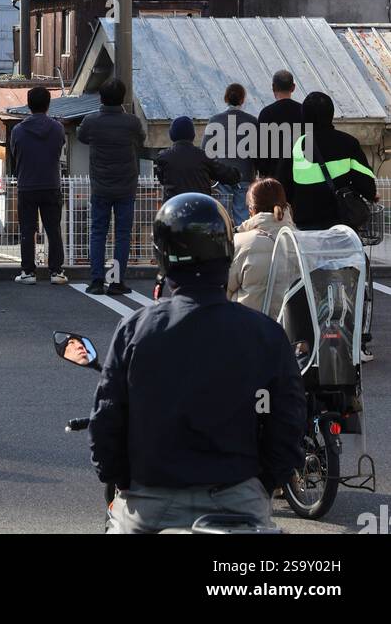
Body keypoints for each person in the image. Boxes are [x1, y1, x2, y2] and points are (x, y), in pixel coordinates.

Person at [89, 192, 306, 534]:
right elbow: (290, 420)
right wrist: (266, 481)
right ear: (227, 253)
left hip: (149, 502)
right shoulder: (265, 334)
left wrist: (120, 478)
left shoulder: (136, 329)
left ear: (163, 258)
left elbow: (106, 421)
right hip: (239, 500)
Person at [76, 78, 145, 296]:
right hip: (126, 186)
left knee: (98, 232)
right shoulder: (132, 122)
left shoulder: (91, 121)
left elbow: (81, 137)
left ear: (101, 98)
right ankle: (116, 282)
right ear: (123, 98)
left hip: (101, 186)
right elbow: (141, 140)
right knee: (122, 235)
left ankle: (96, 280)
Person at [281, 90, 377, 231]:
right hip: (341, 223)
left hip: (306, 223)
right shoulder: (348, 143)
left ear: (304, 116)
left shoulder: (294, 145)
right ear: (331, 114)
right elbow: (367, 185)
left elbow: (283, 186)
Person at [10, 85, 67, 284]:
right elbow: (59, 150)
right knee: (53, 229)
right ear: (48, 104)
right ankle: (56, 272)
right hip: (51, 184)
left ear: (29, 105)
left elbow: (15, 154)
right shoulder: (58, 128)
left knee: (27, 229)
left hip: (27, 184)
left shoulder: (18, 130)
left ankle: (27, 272)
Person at [227, 177, 294, 313]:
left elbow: (225, 289)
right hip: (291, 328)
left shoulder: (242, 243)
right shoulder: (299, 240)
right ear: (285, 206)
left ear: (251, 209)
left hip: (250, 326)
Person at [202, 82, 259, 226]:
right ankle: (243, 245)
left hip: (222, 175)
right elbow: (258, 151)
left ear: (225, 98)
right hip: (245, 175)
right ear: (242, 99)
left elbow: (205, 151)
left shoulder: (215, 121)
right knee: (244, 218)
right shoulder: (252, 121)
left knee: (222, 217)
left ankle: (224, 245)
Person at [154, 116, 240, 201]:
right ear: (192, 134)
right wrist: (238, 173)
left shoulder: (163, 157)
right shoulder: (204, 156)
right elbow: (226, 174)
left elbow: (162, 180)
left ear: (172, 134)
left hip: (174, 210)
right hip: (200, 208)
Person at [258, 71, 304, 180]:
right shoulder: (304, 111)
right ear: (293, 87)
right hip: (300, 174)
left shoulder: (266, 113)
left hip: (274, 175)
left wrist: (263, 171)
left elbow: (261, 148)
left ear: (273, 87)